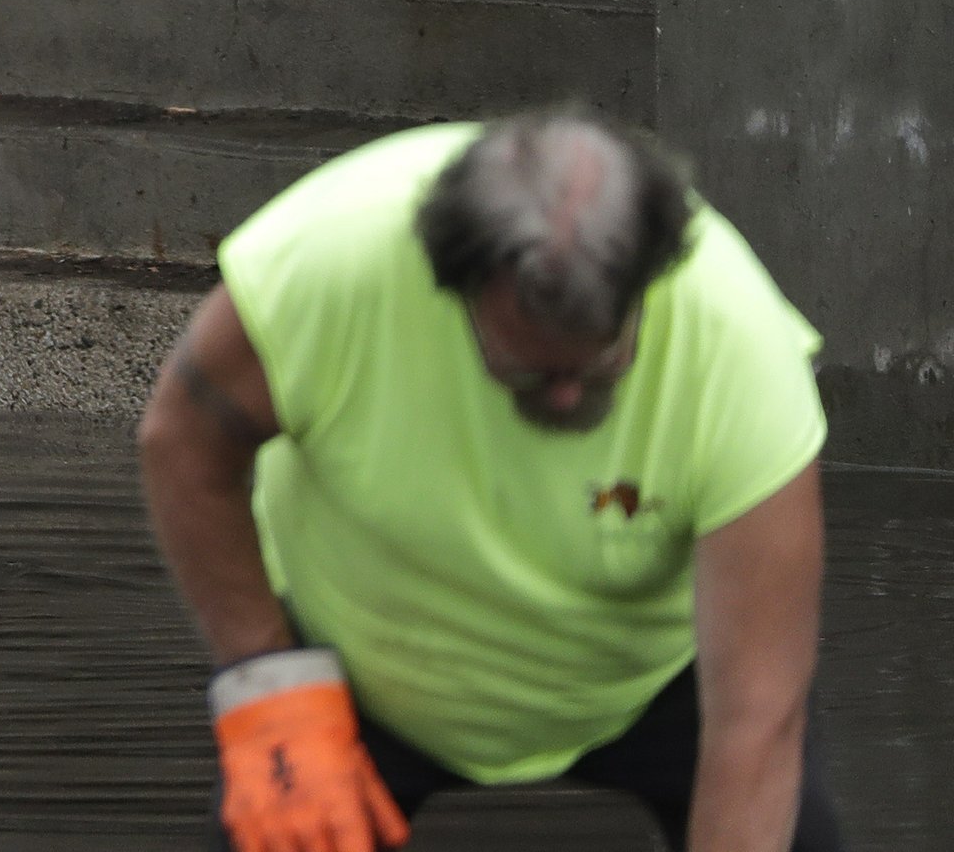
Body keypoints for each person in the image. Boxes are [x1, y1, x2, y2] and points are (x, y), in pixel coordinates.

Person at [137, 110, 839, 852]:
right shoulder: (328, 266)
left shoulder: (742, 353)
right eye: (533, 368)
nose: (566, 396)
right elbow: (182, 447)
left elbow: (757, 718)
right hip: (362, 662)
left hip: (647, 678)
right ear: (455, 284)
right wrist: (267, 687)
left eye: (593, 365)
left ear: (651, 282)